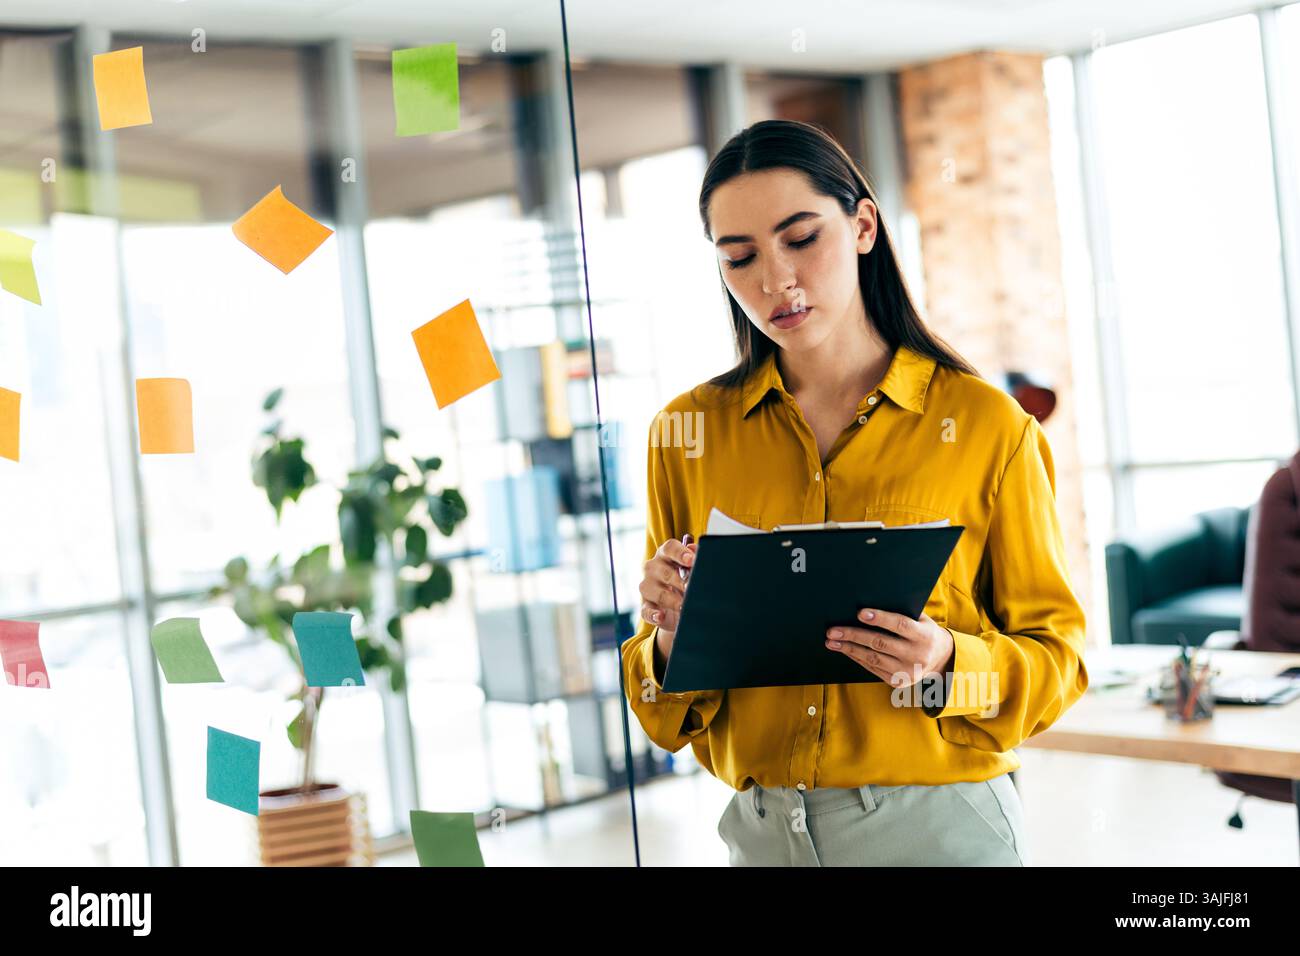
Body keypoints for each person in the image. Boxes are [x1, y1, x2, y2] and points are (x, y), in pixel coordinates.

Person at [624, 119, 1089, 866]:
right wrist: (674, 633)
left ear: (863, 224)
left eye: (801, 239)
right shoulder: (686, 434)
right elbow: (662, 708)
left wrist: (944, 663)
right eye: (738, 258)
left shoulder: (983, 423)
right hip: (762, 833)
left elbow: (1060, 660)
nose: (774, 280)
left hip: (938, 829)